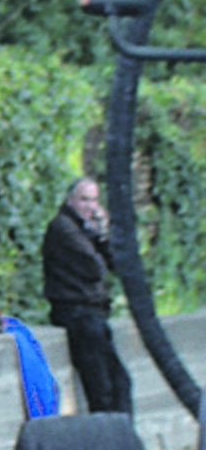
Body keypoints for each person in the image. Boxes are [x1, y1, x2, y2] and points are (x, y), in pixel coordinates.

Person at [41, 176, 133, 415]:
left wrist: (102, 236)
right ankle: (108, 440)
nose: (90, 207)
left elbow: (115, 263)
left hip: (93, 313)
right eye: (84, 200)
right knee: (101, 387)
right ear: (70, 200)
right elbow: (94, 268)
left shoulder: (85, 229)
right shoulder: (62, 227)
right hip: (76, 313)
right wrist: (96, 238)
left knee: (119, 382)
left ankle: (122, 440)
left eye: (94, 201)